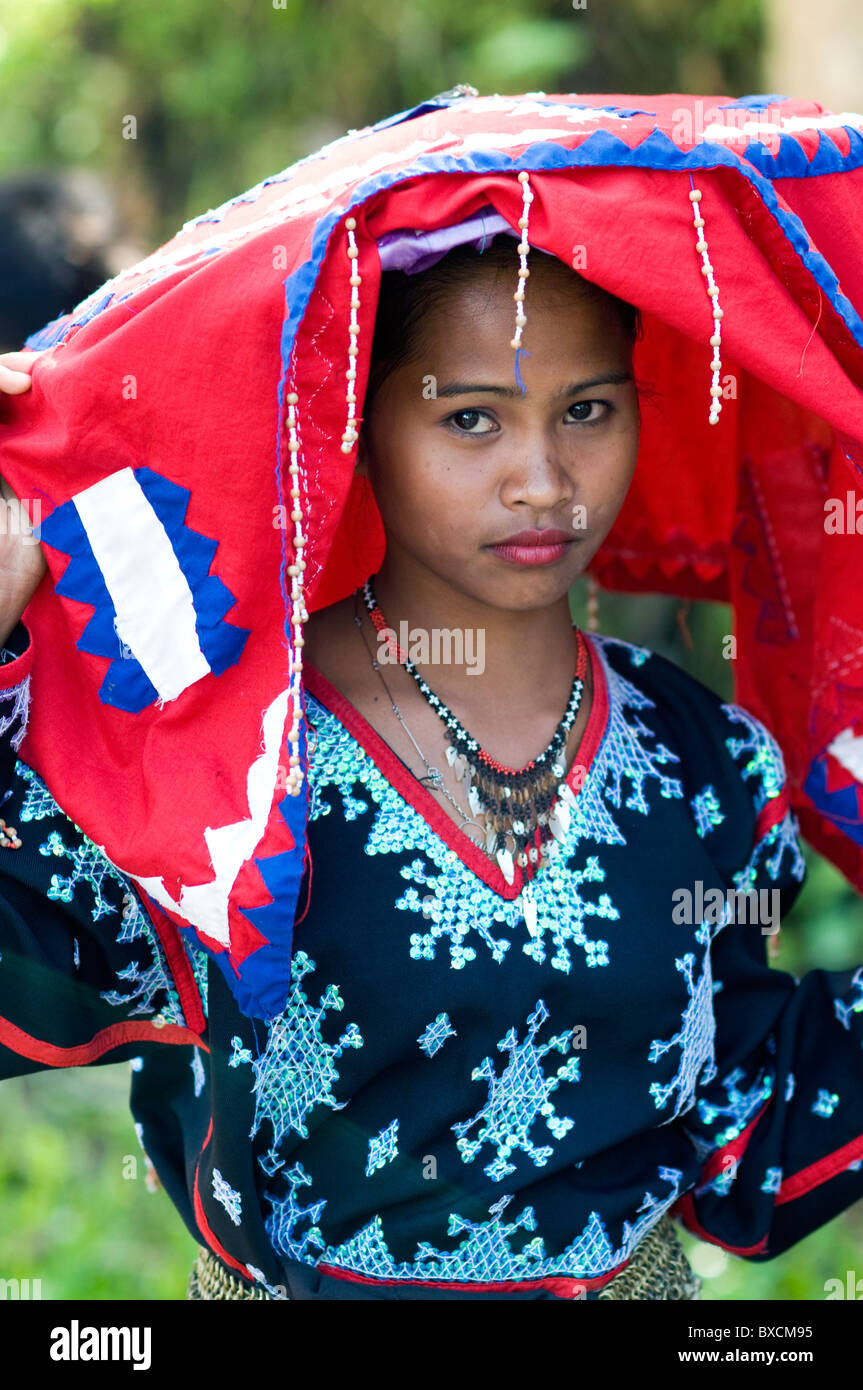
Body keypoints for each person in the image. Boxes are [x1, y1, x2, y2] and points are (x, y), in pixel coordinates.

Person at [0, 220, 860, 1303]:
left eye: (585, 410)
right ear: (357, 420)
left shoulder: (707, 764)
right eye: (469, 420)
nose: (542, 480)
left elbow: (742, 1138)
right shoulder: (229, 755)